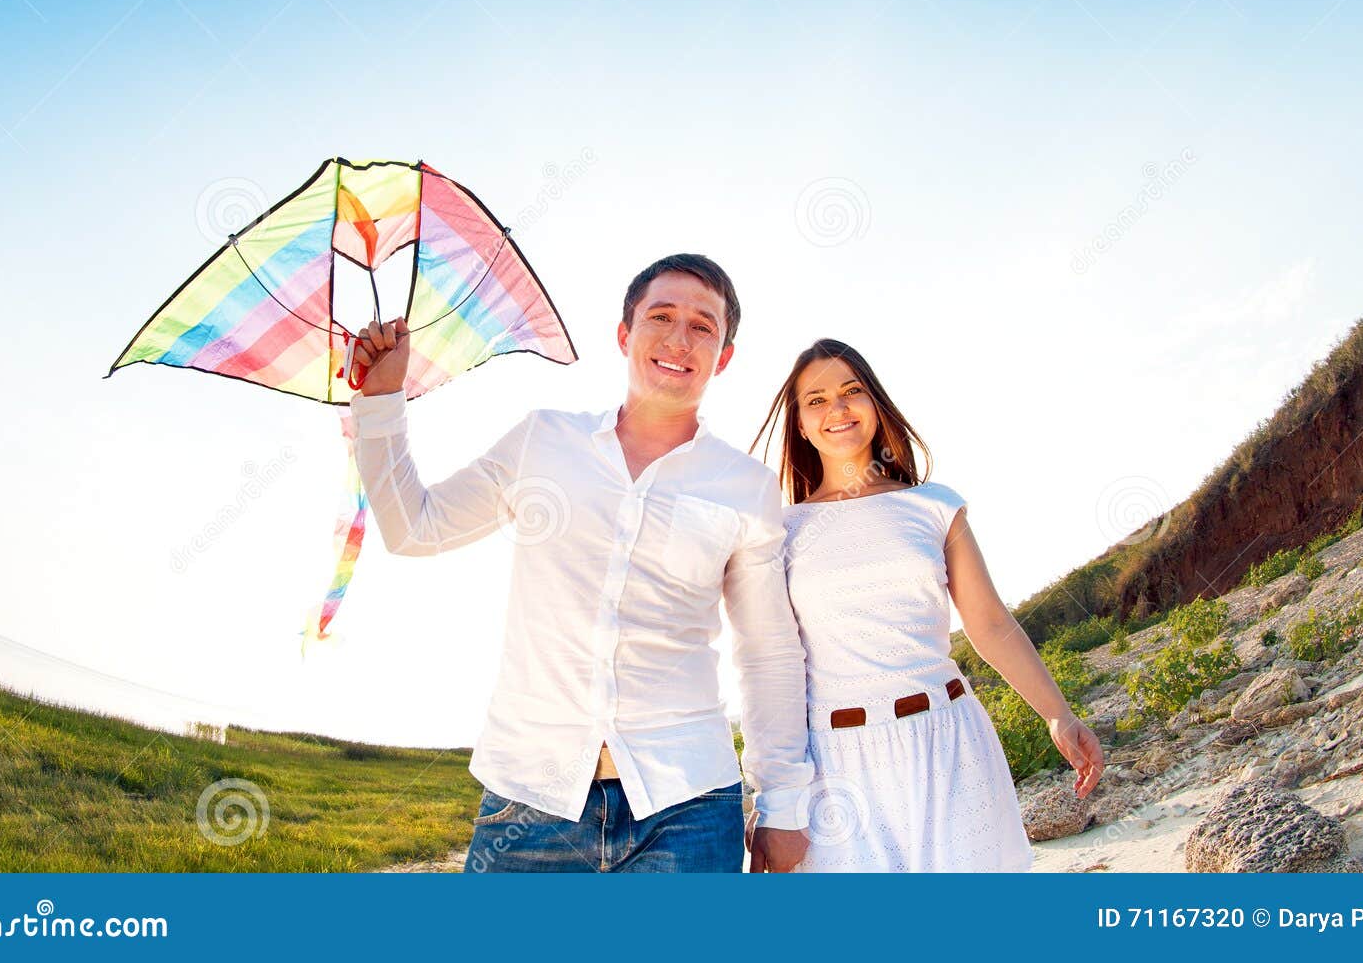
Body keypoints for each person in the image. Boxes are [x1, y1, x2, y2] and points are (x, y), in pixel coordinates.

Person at [348, 254, 813, 872]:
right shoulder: (543, 441)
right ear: (625, 335)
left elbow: (767, 652)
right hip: (530, 801)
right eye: (662, 316)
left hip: (688, 807)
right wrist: (382, 401)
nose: (679, 338)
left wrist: (783, 805)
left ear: (723, 355)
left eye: (704, 326)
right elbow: (414, 528)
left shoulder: (744, 485)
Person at [751, 338, 1104, 872]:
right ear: (799, 423)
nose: (838, 409)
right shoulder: (778, 531)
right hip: (835, 766)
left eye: (852, 391)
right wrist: (775, 798)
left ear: (876, 403)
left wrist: (1058, 714)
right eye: (817, 399)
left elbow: (988, 623)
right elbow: (769, 664)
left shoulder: (934, 506)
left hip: (950, 741)